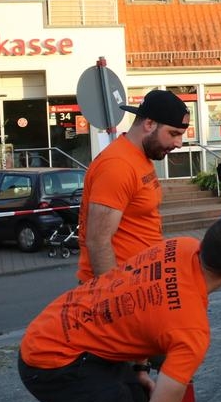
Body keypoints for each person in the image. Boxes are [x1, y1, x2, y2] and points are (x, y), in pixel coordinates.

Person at [19, 218, 221, 402]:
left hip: (60, 325)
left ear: (203, 244)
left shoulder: (179, 245)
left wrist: (140, 368)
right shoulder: (192, 332)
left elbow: (138, 297)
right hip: (52, 359)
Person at [79, 89, 189, 284]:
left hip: (140, 282)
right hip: (121, 288)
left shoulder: (139, 157)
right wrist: (114, 293)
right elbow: (98, 241)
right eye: (173, 133)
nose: (179, 143)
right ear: (149, 124)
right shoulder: (117, 165)